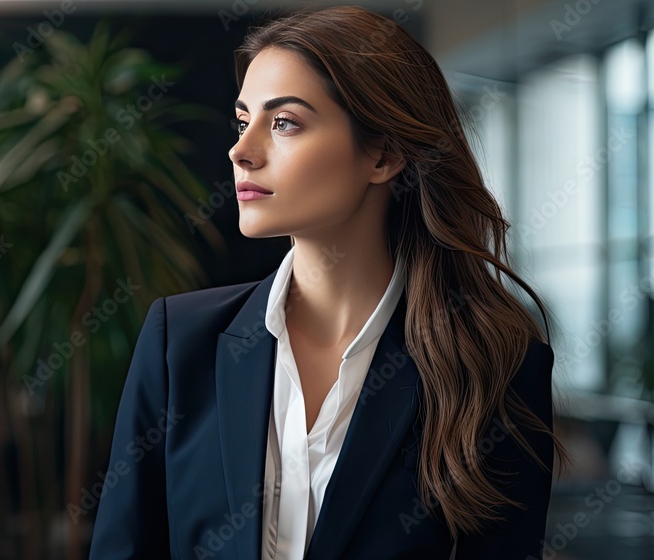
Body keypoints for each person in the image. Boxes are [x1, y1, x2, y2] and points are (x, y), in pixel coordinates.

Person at [88, 5, 571, 559]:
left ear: (384, 154)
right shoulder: (179, 343)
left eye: (284, 123)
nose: (241, 151)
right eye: (244, 122)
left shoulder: (494, 366)